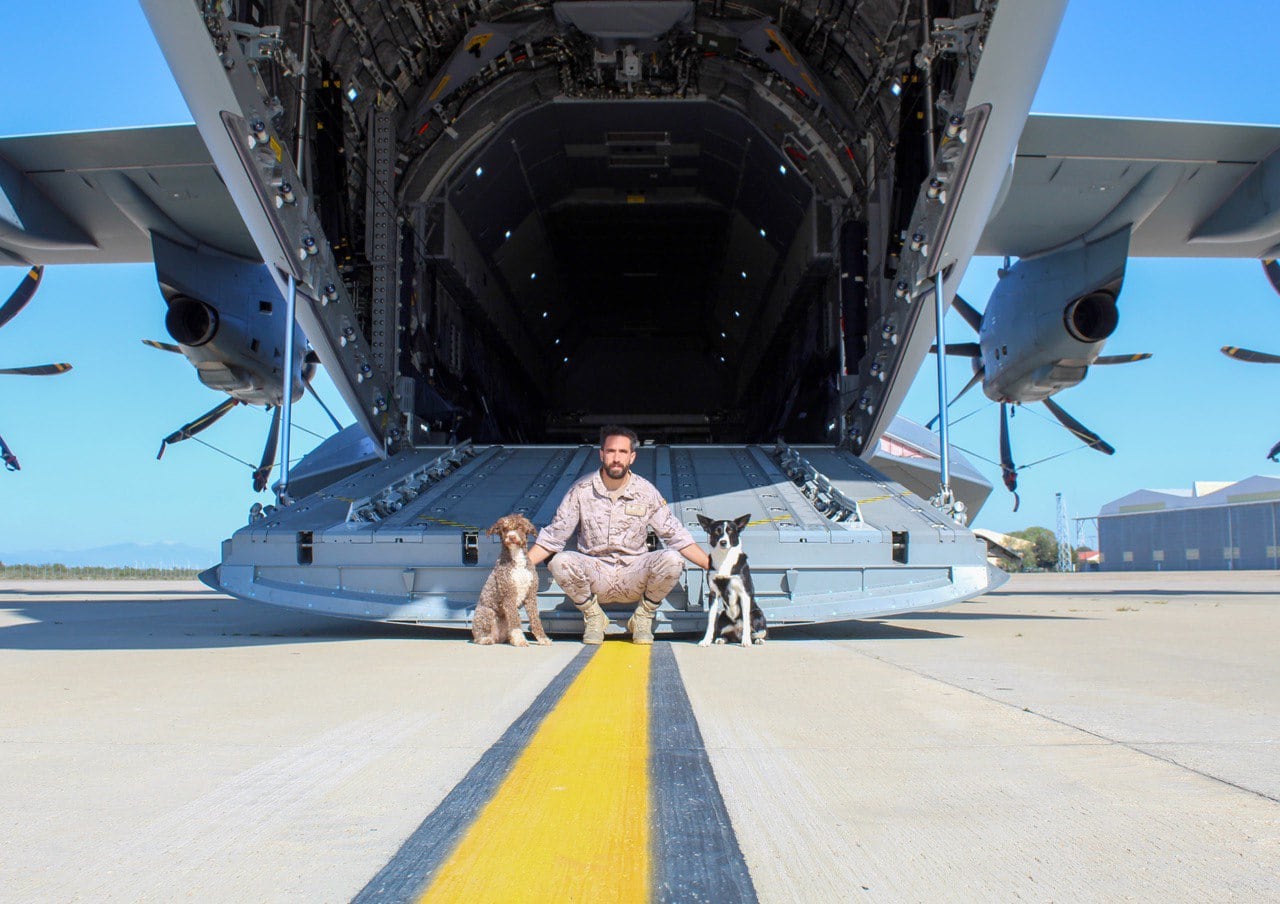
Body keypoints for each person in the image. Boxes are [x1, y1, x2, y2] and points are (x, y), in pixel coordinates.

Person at [527, 425, 710, 644]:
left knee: (672, 559)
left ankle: (642, 618)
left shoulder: (645, 491)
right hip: (596, 573)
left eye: (622, 452)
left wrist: (713, 565)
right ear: (601, 454)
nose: (616, 458)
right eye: (611, 451)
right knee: (560, 561)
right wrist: (519, 565)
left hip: (634, 572)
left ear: (632, 457)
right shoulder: (581, 489)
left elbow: (675, 534)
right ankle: (594, 617)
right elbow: (554, 536)